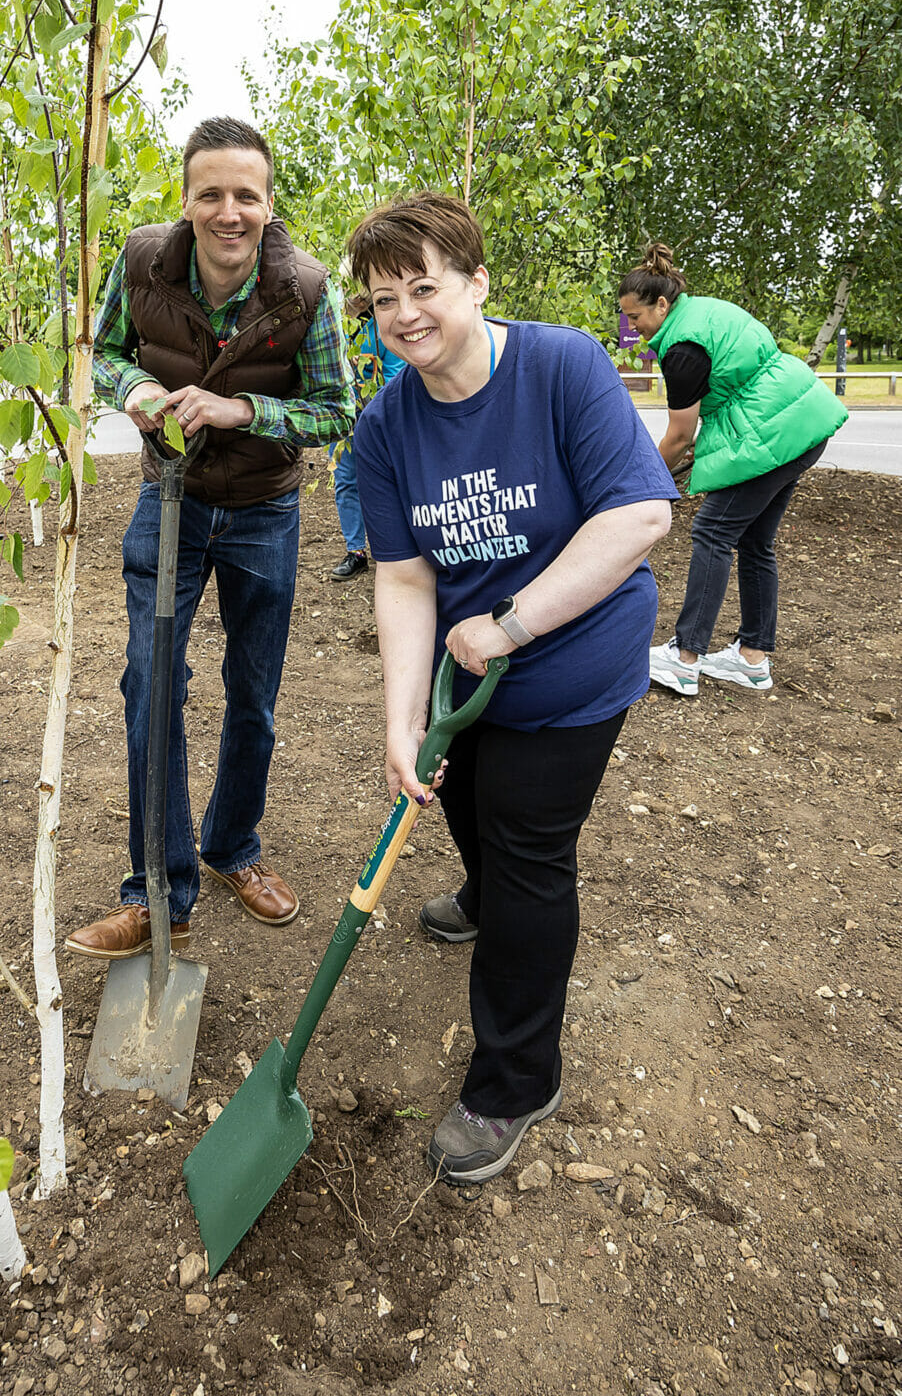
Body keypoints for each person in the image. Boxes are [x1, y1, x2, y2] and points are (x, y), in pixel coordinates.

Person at [347, 193, 676, 1184]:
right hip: (467, 675)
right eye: (382, 300)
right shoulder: (384, 427)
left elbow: (638, 518)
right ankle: (480, 894)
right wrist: (403, 717)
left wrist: (512, 624)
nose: (403, 314)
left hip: (570, 664)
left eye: (422, 287)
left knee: (529, 853)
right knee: (467, 811)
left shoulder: (560, 366)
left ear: (476, 281)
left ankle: (515, 1081)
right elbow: (405, 578)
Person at [65, 118, 355, 959]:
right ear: (187, 200)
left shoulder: (307, 291)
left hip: (264, 511)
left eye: (247, 196)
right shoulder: (141, 263)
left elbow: (337, 410)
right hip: (172, 501)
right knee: (150, 686)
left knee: (252, 694)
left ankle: (233, 849)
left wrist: (242, 410)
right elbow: (100, 353)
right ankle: (158, 893)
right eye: (212, 194)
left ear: (269, 203)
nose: (230, 212)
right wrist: (134, 389)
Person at [619, 243, 848, 698]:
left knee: (712, 531)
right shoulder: (702, 311)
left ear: (661, 305)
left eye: (635, 316)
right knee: (755, 540)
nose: (633, 327)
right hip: (803, 420)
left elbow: (679, 436)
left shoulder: (682, 350)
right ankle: (752, 659)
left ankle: (685, 658)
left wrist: (646, 484)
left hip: (773, 432)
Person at [329, 291, 406, 580]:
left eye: (363, 293)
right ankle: (356, 552)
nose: (357, 298)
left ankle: (397, 548)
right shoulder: (331, 318)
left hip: (377, 417)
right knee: (346, 480)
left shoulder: (383, 324)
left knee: (391, 479)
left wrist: (374, 416)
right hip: (340, 416)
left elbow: (394, 377)